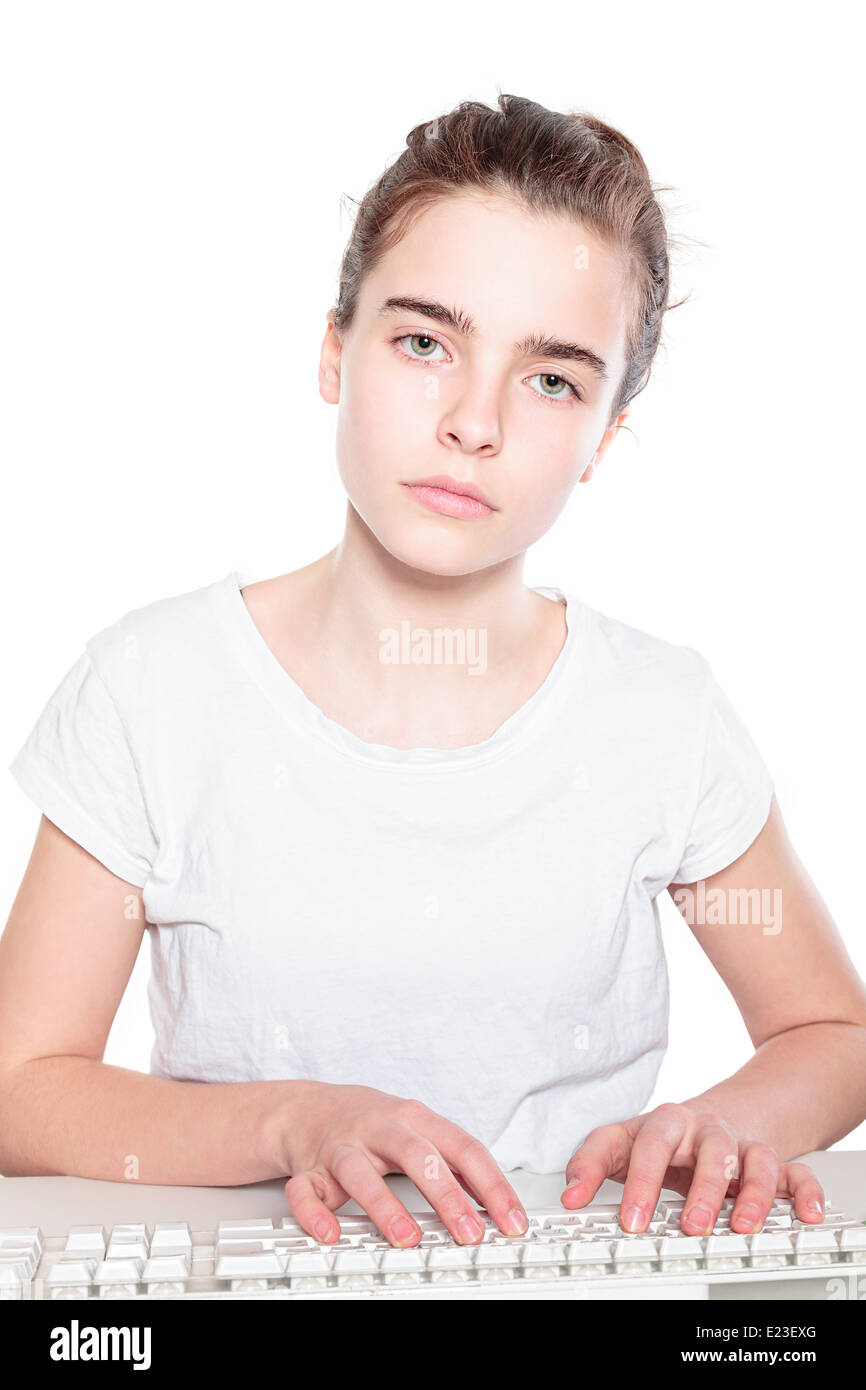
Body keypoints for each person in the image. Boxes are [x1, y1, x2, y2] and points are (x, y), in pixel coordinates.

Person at [3, 93, 866, 1254]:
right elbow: (21, 1083)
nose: (473, 422)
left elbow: (827, 1029)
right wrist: (296, 1123)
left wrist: (723, 1122)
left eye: (550, 379)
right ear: (333, 352)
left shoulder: (661, 714)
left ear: (603, 438)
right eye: (424, 343)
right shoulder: (151, 689)